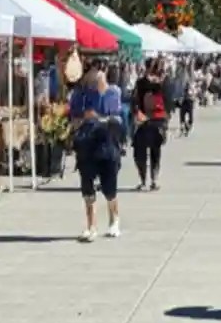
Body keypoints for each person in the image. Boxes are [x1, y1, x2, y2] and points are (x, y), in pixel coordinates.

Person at [70, 70, 125, 242]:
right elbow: (73, 117)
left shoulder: (112, 93)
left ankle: (114, 220)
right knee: (88, 188)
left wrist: (100, 118)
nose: (94, 82)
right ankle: (91, 226)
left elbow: (117, 118)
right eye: (92, 79)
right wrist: (81, 120)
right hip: (86, 146)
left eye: (98, 79)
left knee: (109, 188)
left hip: (107, 146)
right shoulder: (80, 95)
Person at [131, 59, 169, 191]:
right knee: (155, 151)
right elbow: (168, 100)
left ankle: (143, 180)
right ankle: (154, 180)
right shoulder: (162, 82)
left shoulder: (141, 82)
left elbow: (135, 100)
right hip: (158, 119)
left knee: (140, 152)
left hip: (143, 119)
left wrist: (135, 114)